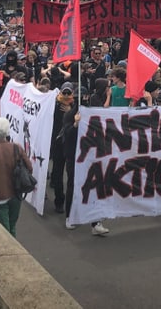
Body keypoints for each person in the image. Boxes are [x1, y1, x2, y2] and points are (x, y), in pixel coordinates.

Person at [61, 104, 110, 235]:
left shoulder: (92, 116)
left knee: (94, 187)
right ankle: (70, 217)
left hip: (90, 157)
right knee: (72, 186)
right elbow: (67, 134)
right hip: (73, 158)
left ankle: (95, 222)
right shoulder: (69, 116)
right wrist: (76, 124)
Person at [51, 82, 76, 214]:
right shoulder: (54, 105)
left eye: (68, 93)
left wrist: (70, 112)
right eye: (64, 93)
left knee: (72, 175)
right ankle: (59, 200)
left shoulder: (75, 107)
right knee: (57, 173)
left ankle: (71, 202)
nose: (66, 96)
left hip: (71, 145)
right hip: (58, 143)